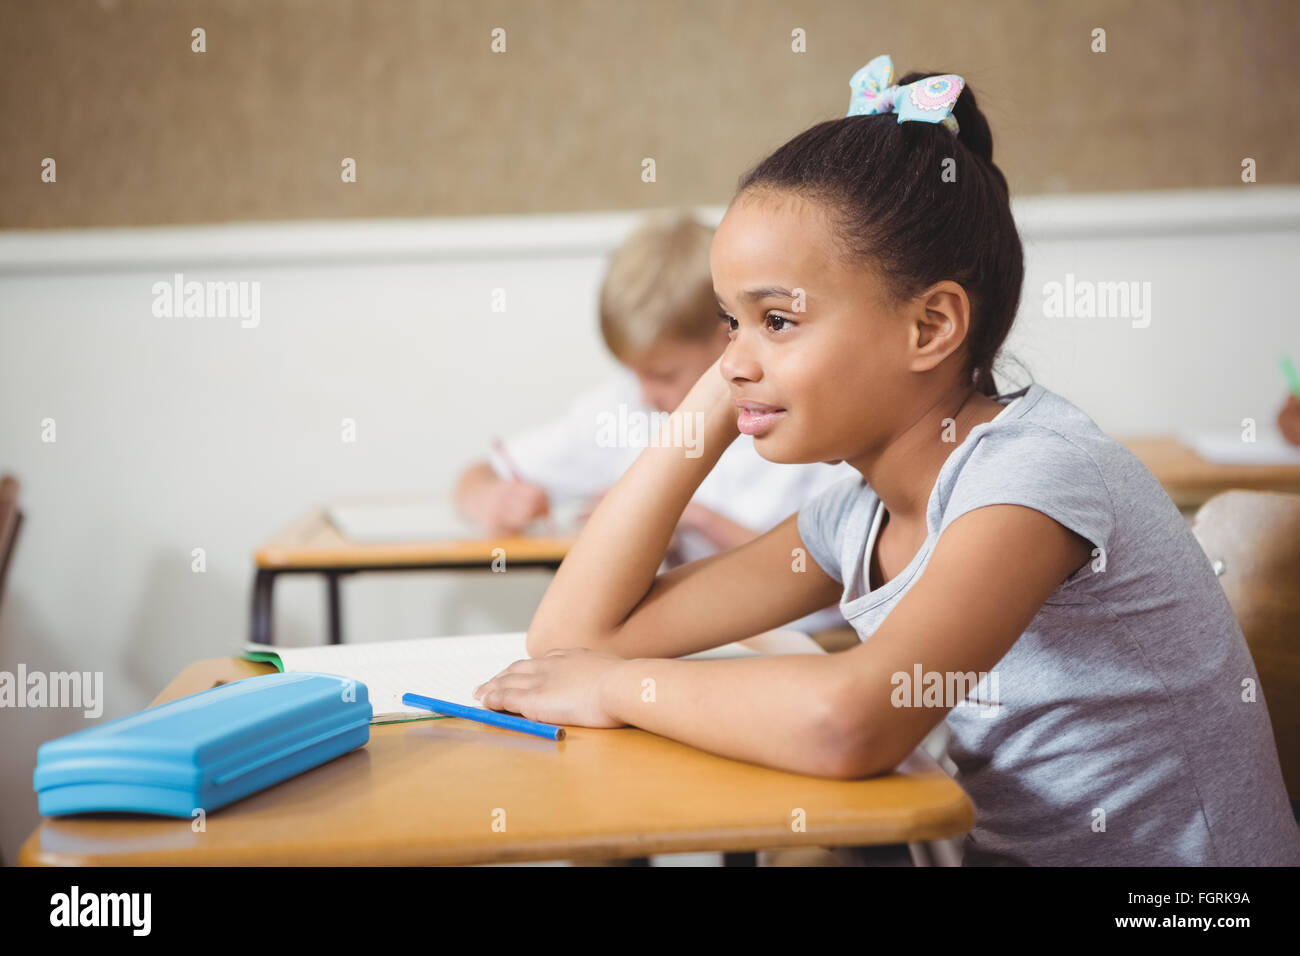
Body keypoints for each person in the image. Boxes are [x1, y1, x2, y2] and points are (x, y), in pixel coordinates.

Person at [473, 56, 1300, 866]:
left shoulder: (1034, 477)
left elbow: (852, 722)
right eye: (730, 322)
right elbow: (572, 643)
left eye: (779, 321)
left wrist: (618, 692)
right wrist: (707, 407)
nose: (735, 359)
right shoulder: (853, 517)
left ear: (931, 327)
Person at [454, 211, 854, 632]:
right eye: (635, 373)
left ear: (729, 333)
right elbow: (479, 475)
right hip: (689, 642)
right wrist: (492, 497)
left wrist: (693, 516)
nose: (646, 394)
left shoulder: (807, 418)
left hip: (812, 639)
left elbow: (830, 570)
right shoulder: (623, 407)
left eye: (663, 375)